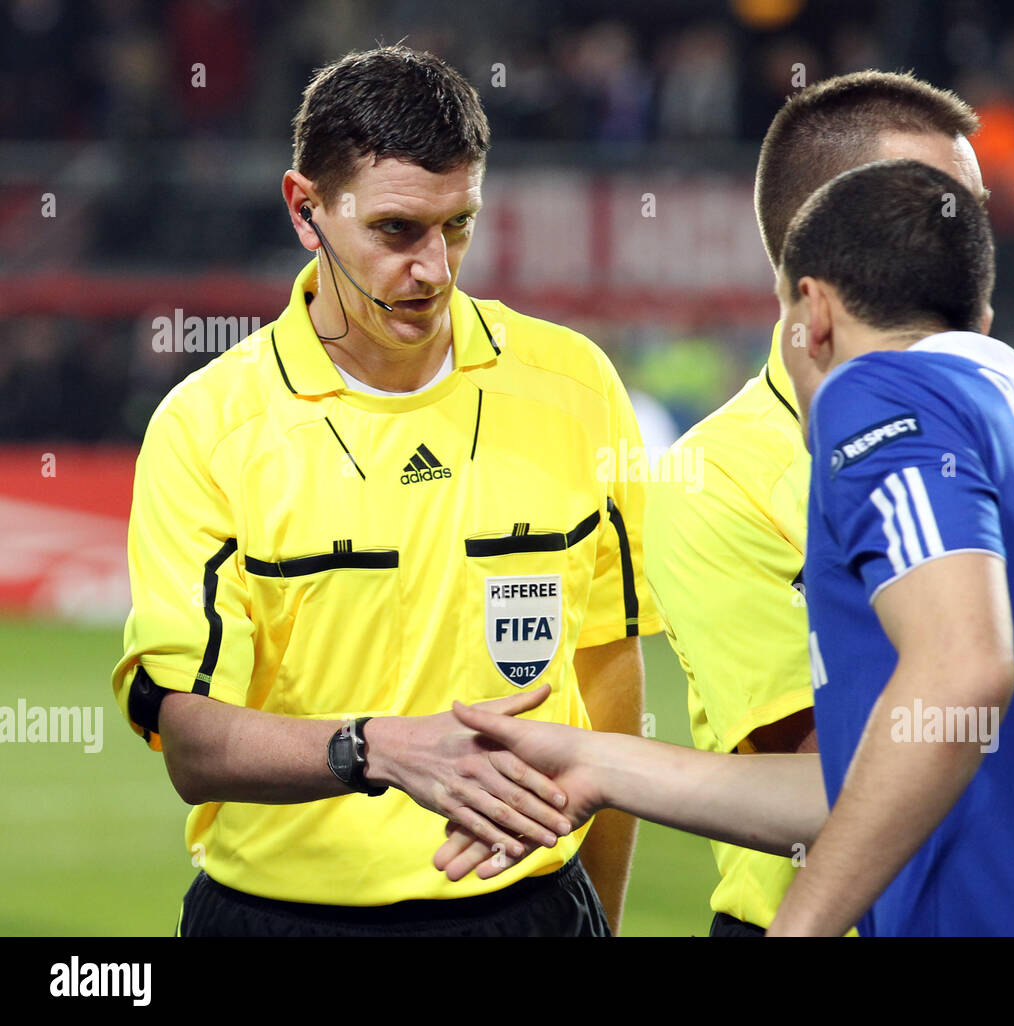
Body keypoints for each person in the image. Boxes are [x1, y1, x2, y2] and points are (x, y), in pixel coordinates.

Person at [435, 160, 1014, 937]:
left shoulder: (876, 395)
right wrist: (599, 766)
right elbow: (874, 785)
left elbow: (964, 670)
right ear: (984, 313)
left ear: (815, 313)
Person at [641, 71, 1014, 937]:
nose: (970, 237)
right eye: (937, 204)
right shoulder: (715, 480)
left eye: (974, 207)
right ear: (830, 237)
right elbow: (842, 774)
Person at [109, 45, 659, 937]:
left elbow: (609, 671)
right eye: (398, 230)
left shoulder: (576, 385)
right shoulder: (207, 426)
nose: (436, 269)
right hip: (278, 918)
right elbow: (193, 741)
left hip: (528, 914)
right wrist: (372, 749)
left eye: (459, 225)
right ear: (305, 210)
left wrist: (601, 913)